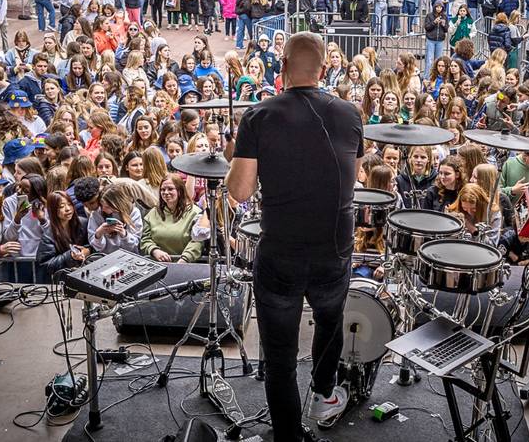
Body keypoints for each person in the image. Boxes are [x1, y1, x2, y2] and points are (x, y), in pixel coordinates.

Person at [226, 32, 363, 439]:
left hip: (281, 253)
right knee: (329, 321)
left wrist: (238, 155)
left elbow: (240, 191)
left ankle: (288, 433)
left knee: (280, 355)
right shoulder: (350, 114)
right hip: (333, 249)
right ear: (324, 68)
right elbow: (350, 180)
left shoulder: (259, 116)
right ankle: (323, 394)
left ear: (282, 66)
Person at [140, 174, 208, 263]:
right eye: (163, 189)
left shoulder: (195, 212)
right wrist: (154, 250)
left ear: (180, 191)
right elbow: (145, 239)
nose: (166, 192)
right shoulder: (153, 213)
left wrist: (185, 258)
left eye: (170, 189)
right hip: (158, 263)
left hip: (186, 264)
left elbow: (198, 241)